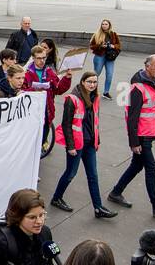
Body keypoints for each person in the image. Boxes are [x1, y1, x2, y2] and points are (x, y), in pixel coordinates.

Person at [107, 54, 155, 220]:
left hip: (148, 133)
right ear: (147, 66)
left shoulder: (152, 83)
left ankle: (116, 192)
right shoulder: (138, 88)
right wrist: (134, 142)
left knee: (136, 166)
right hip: (142, 137)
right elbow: (132, 118)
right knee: (152, 169)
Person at [51, 71, 119, 219]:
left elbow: (95, 121)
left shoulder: (95, 97)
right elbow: (66, 124)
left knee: (93, 176)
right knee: (70, 173)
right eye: (89, 82)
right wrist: (70, 146)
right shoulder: (72, 99)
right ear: (82, 82)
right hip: (76, 144)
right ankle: (56, 198)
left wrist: (97, 140)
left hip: (89, 144)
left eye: (95, 82)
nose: (92, 85)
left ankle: (98, 208)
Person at [89, 19, 121, 99]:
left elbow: (119, 45)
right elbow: (92, 46)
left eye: (106, 24)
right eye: (103, 24)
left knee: (109, 75)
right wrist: (100, 46)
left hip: (110, 57)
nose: (104, 25)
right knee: (96, 74)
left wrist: (113, 46)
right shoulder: (97, 34)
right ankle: (91, 90)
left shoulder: (113, 34)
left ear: (109, 25)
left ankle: (106, 92)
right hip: (100, 56)